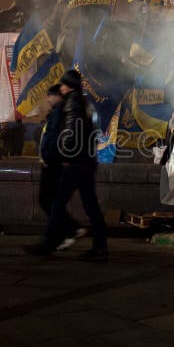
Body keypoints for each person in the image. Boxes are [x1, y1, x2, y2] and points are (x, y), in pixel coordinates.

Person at [24, 69, 107, 260]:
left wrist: (66, 155)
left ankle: (49, 242)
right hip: (86, 161)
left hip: (75, 163)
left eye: (63, 84)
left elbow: (71, 133)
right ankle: (100, 247)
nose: (61, 87)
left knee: (58, 202)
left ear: (68, 86)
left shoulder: (72, 103)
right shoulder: (85, 103)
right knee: (91, 206)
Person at [37, 84, 84, 251]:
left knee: (47, 200)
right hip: (54, 162)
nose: (48, 98)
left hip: (55, 163)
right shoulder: (59, 112)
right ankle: (68, 231)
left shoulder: (61, 112)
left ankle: (68, 231)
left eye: (50, 95)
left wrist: (52, 157)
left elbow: (56, 136)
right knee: (51, 200)